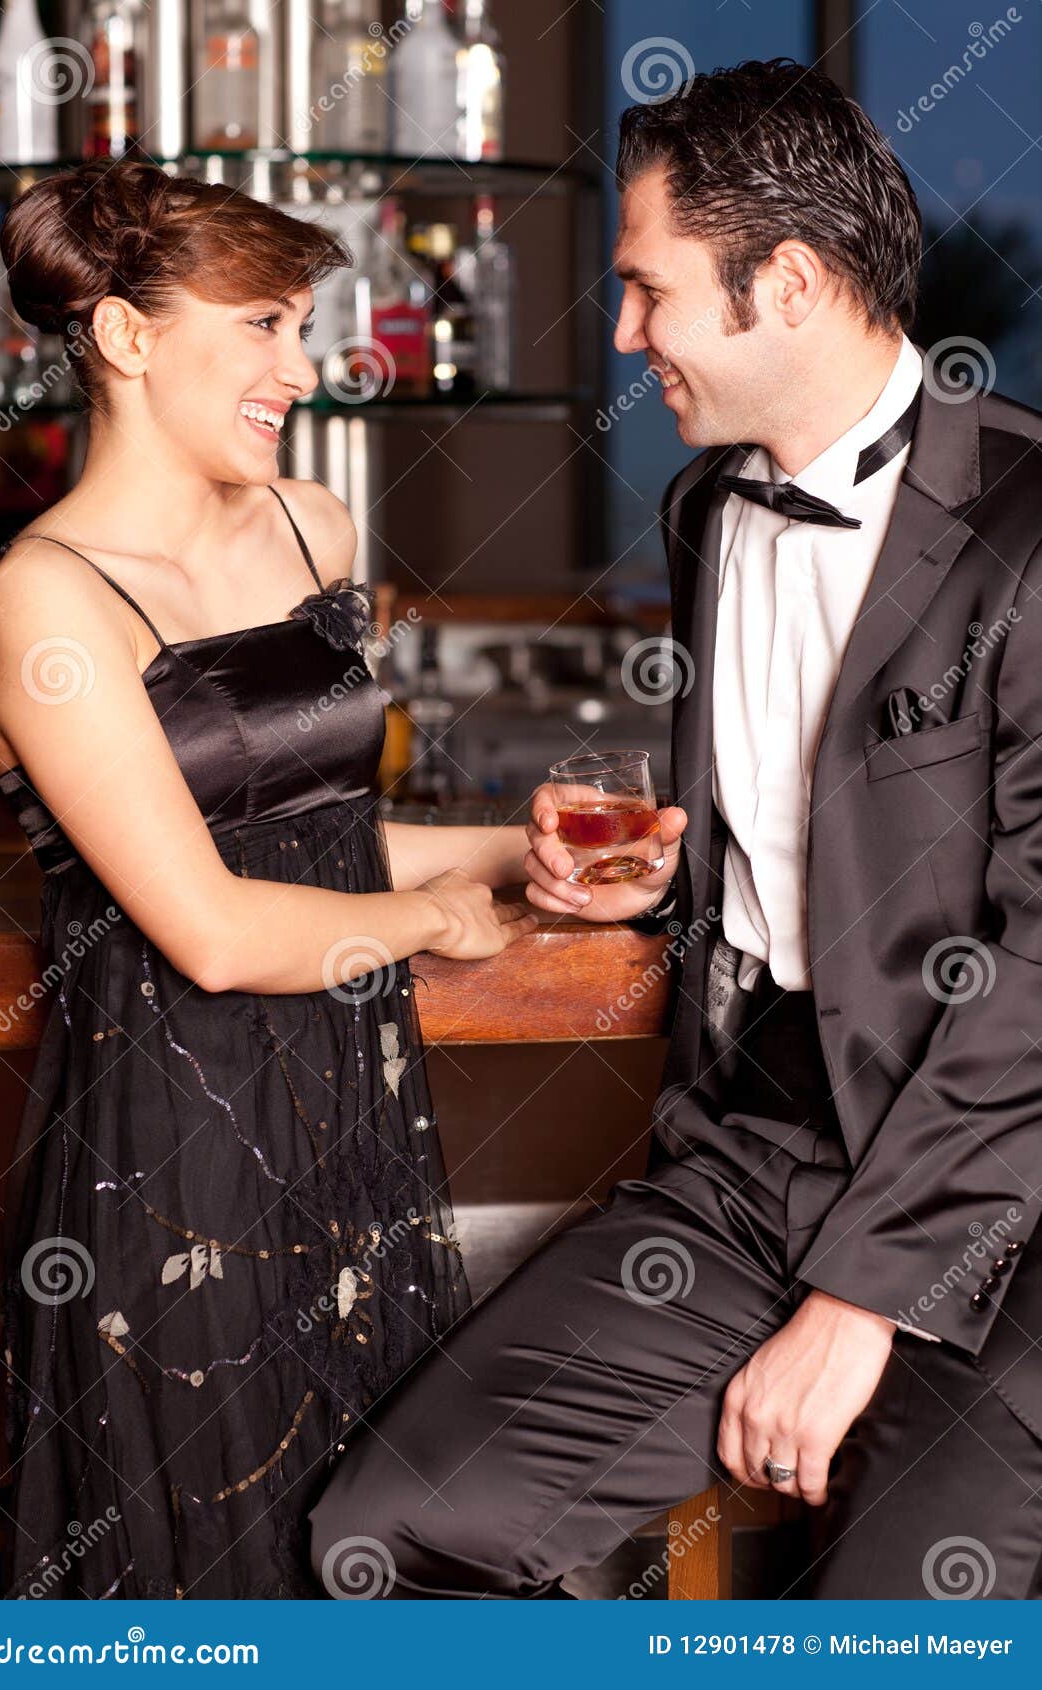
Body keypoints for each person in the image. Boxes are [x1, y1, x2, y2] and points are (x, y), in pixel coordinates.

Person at [307, 58, 1042, 1600]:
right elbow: (812, 823)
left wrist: (861, 1299)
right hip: (752, 1152)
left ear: (791, 282)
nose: (624, 335)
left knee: (894, 1639)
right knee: (395, 1532)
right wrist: (662, 879)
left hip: (1001, 1201)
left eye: (649, 290)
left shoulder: (1029, 526)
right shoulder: (709, 509)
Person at [0, 158, 536, 1599]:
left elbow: (317, 841)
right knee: (213, 1576)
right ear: (125, 335)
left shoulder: (312, 529)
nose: (302, 367)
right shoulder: (44, 597)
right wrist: (436, 921)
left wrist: (519, 849)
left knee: (376, 1559)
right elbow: (213, 925)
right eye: (263, 327)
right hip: (178, 1148)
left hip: (353, 1121)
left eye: (302, 327)